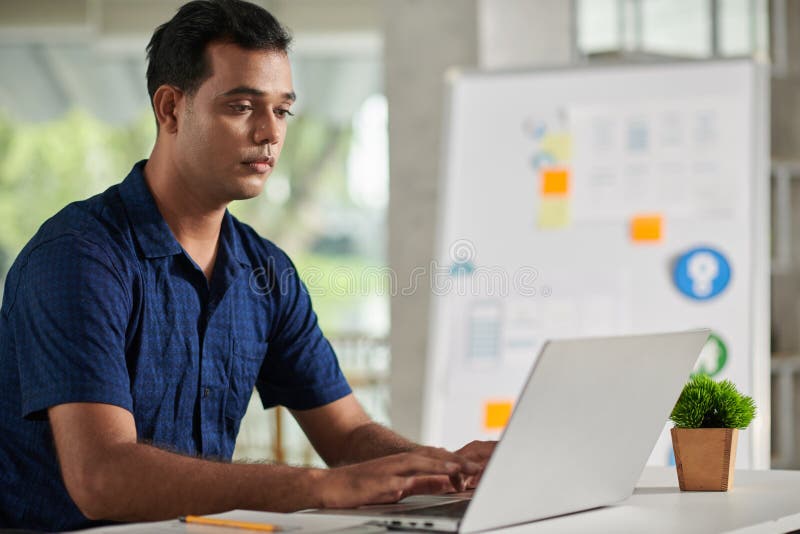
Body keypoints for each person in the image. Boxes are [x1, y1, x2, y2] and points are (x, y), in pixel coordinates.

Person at [0, 0, 494, 531]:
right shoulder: (80, 257)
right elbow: (101, 477)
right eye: (241, 106)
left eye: (282, 110)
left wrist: (447, 470)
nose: (270, 133)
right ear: (169, 109)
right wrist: (316, 488)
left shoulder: (266, 272)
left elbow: (348, 436)